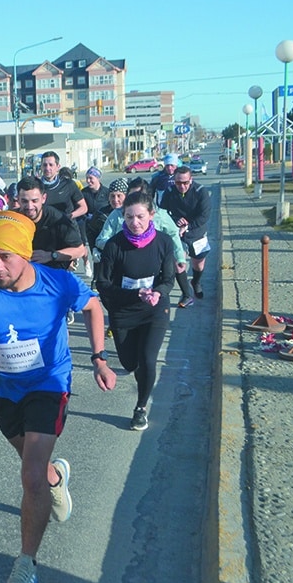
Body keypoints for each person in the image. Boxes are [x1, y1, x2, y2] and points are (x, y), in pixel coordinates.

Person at [0, 210, 116, 583]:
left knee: (29, 473)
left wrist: (99, 359)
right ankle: (57, 477)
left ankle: (26, 564)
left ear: (25, 254)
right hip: (1, 390)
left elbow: (94, 308)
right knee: (35, 467)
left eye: (5, 256)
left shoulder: (58, 284)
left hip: (48, 384)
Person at [96, 191, 176, 431]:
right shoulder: (114, 245)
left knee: (148, 359)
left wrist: (159, 292)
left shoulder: (163, 242)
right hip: (124, 310)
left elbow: (169, 277)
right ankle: (141, 375)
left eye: (140, 216)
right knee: (131, 363)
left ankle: (140, 409)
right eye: (129, 217)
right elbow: (103, 284)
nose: (135, 222)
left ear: (151, 215)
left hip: (154, 309)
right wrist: (133, 294)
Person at [160, 166, 211, 307]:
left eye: (185, 183)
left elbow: (204, 215)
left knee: (198, 263)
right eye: (178, 183)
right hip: (177, 231)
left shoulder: (201, 192)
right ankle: (187, 294)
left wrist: (188, 226)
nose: (181, 186)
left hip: (196, 230)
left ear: (191, 180)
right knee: (179, 262)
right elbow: (163, 212)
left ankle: (196, 281)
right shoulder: (169, 192)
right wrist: (176, 220)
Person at [14, 177, 86, 271]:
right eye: (24, 201)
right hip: (23, 273)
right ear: (18, 199)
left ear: (43, 198)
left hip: (53, 273)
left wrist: (51, 255)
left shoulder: (58, 219)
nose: (29, 206)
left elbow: (80, 250)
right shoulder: (12, 219)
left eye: (34, 201)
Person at [38, 151, 88, 221]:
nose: (47, 168)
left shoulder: (69, 184)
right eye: (45, 165)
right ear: (41, 166)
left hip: (66, 227)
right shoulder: (36, 186)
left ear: (58, 167)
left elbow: (83, 207)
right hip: (44, 227)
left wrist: (70, 216)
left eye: (51, 165)